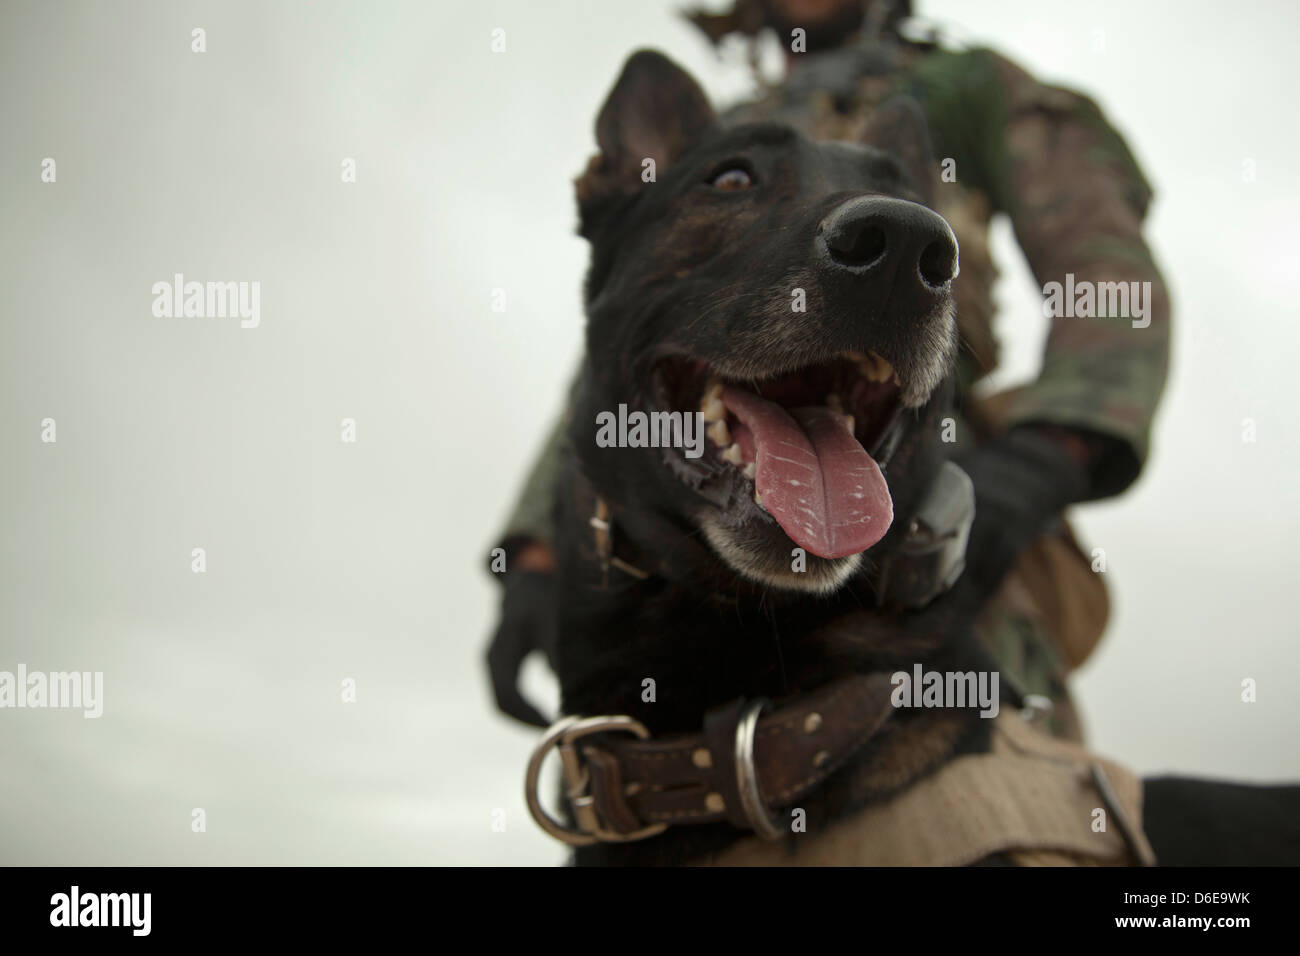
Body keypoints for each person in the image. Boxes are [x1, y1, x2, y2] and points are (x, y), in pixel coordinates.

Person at [486, 0, 1170, 740]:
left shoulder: (966, 86)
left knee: (1004, 815)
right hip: (673, 574)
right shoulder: (724, 129)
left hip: (933, 509)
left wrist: (1042, 460)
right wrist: (538, 545)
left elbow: (1106, 276)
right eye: (734, 186)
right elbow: (624, 346)